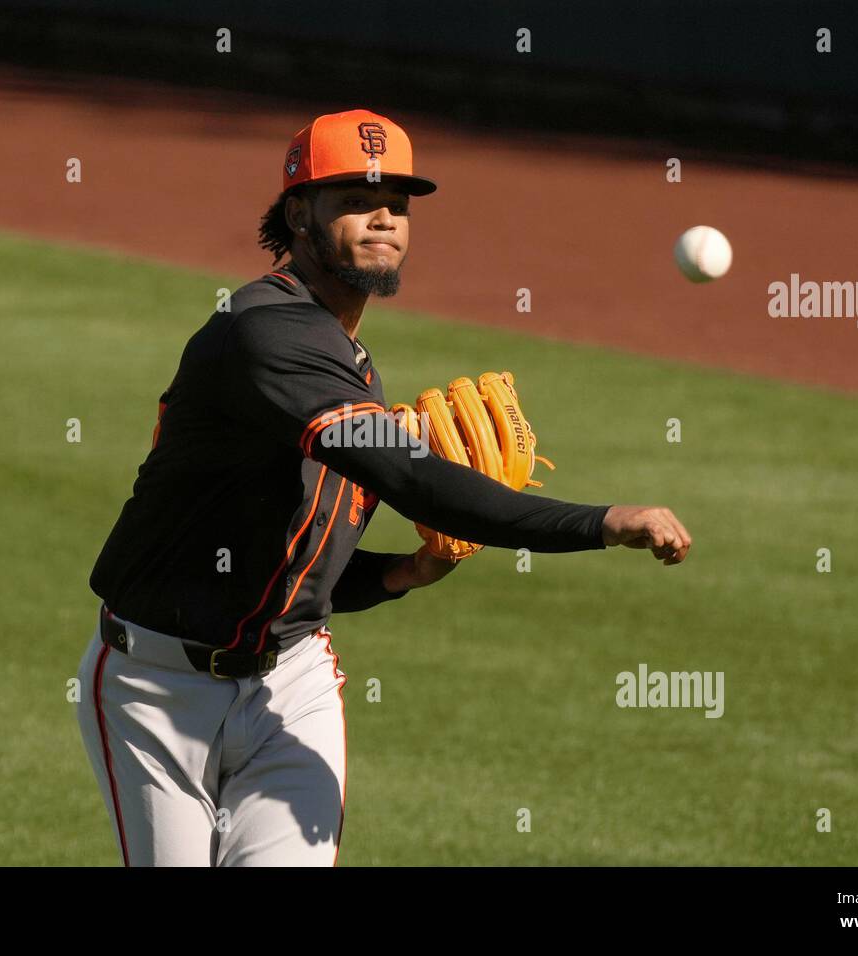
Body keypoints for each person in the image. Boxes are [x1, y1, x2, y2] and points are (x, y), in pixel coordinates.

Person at [75, 108, 692, 866]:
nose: (384, 220)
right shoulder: (266, 335)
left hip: (290, 685)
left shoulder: (344, 364)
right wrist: (602, 522)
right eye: (357, 201)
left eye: (397, 205)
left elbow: (290, 561)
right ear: (298, 213)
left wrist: (403, 572)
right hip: (155, 690)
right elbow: (415, 479)